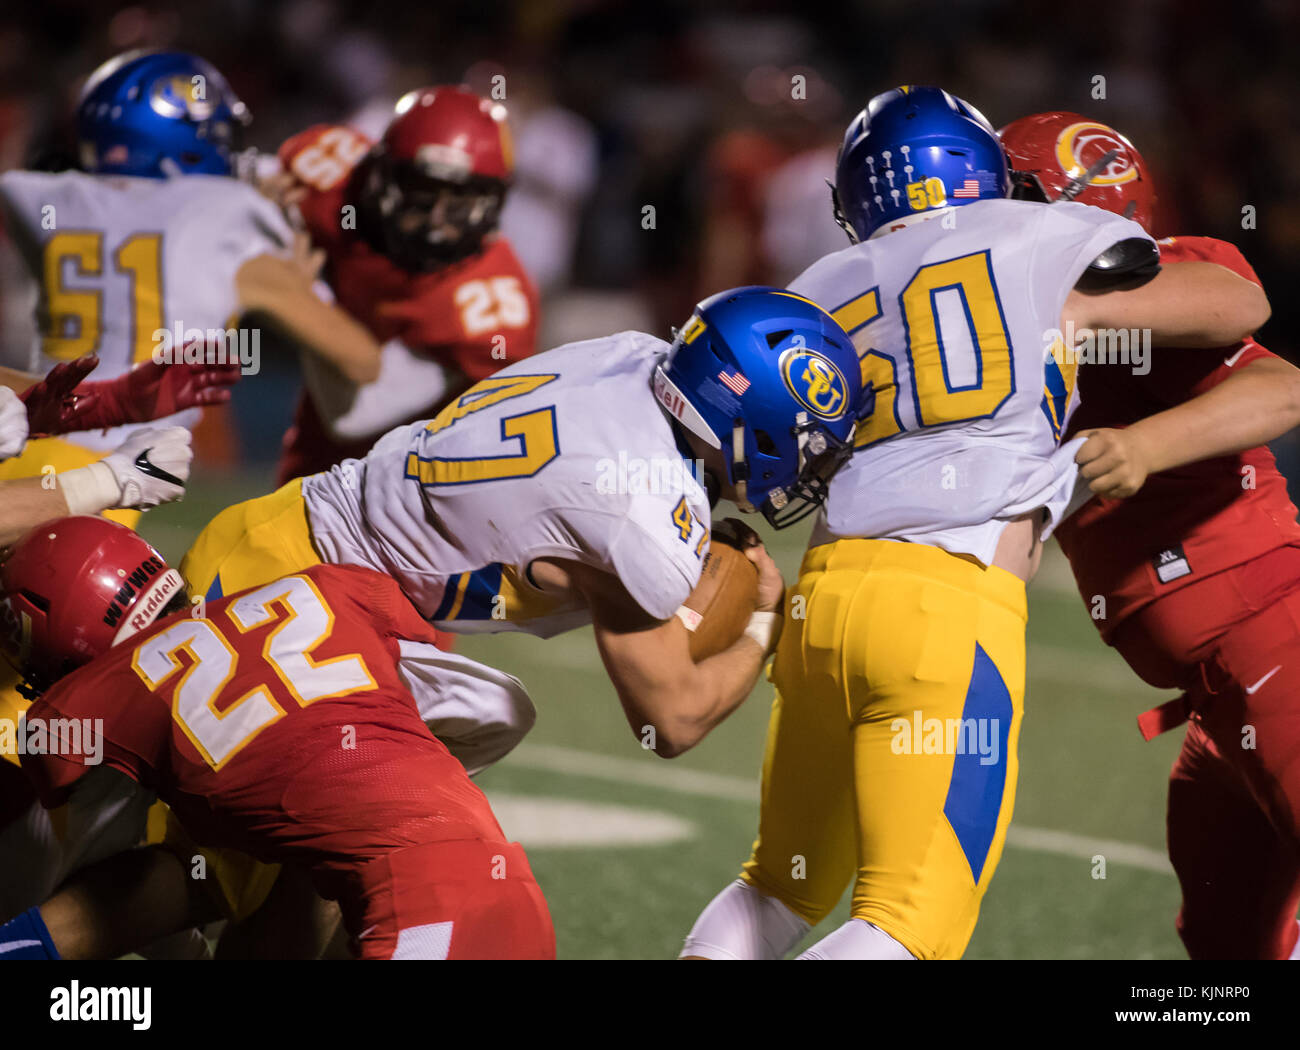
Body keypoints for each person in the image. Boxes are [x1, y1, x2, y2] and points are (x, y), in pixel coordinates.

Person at [681, 86, 1271, 960]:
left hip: (824, 601)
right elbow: (1237, 304)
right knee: (907, 926)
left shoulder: (818, 283)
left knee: (779, 885)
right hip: (945, 610)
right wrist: (1081, 315)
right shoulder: (1040, 235)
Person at [1003, 110, 1300, 960]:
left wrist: (1143, 445)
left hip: (1273, 638)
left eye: (1008, 198)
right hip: (1216, 696)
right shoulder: (999, 328)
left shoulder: (1152, 286)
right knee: (1224, 941)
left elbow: (1278, 375)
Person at [0, 516, 553, 960]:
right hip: (510, 888)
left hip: (423, 918)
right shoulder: (324, 586)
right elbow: (498, 707)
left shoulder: (83, 707)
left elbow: (102, 889)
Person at [267, 86, 540, 485]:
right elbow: (247, 181)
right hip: (317, 450)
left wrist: (303, 300)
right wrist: (254, 210)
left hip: (433, 475)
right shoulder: (335, 183)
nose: (436, 222)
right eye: (421, 194)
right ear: (380, 176)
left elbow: (355, 415)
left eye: (461, 204)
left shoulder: (487, 301)